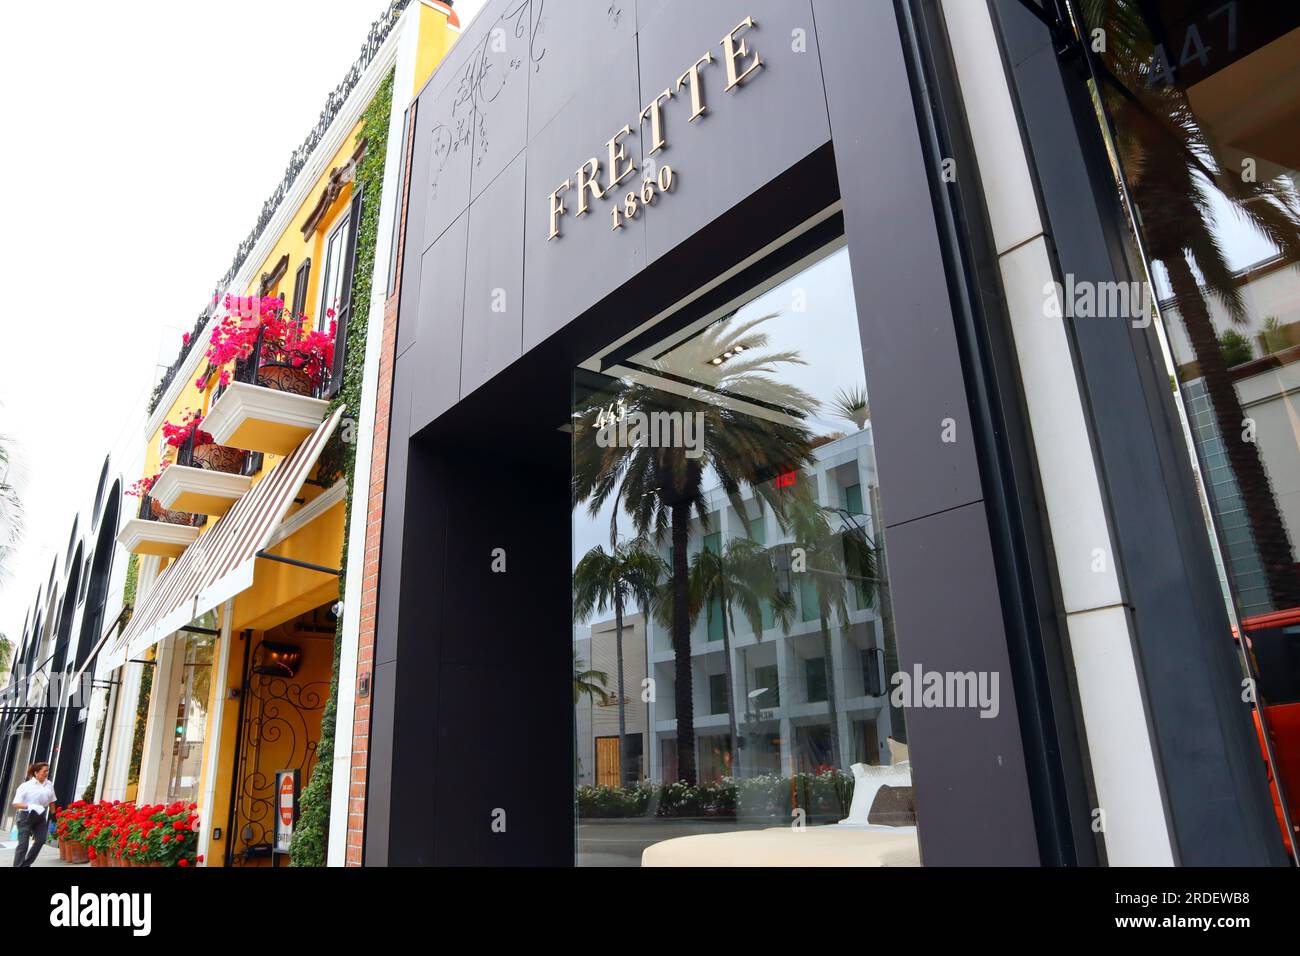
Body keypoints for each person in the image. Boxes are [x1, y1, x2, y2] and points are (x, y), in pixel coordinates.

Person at [11, 761, 56, 867]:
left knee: (41, 840)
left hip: (40, 817)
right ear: (36, 773)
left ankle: (25, 864)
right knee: (23, 845)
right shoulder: (25, 786)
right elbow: (15, 803)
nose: (46, 773)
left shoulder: (49, 784)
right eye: (44, 771)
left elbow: (52, 800)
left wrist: (54, 815)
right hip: (26, 817)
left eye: (47, 771)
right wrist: (29, 806)